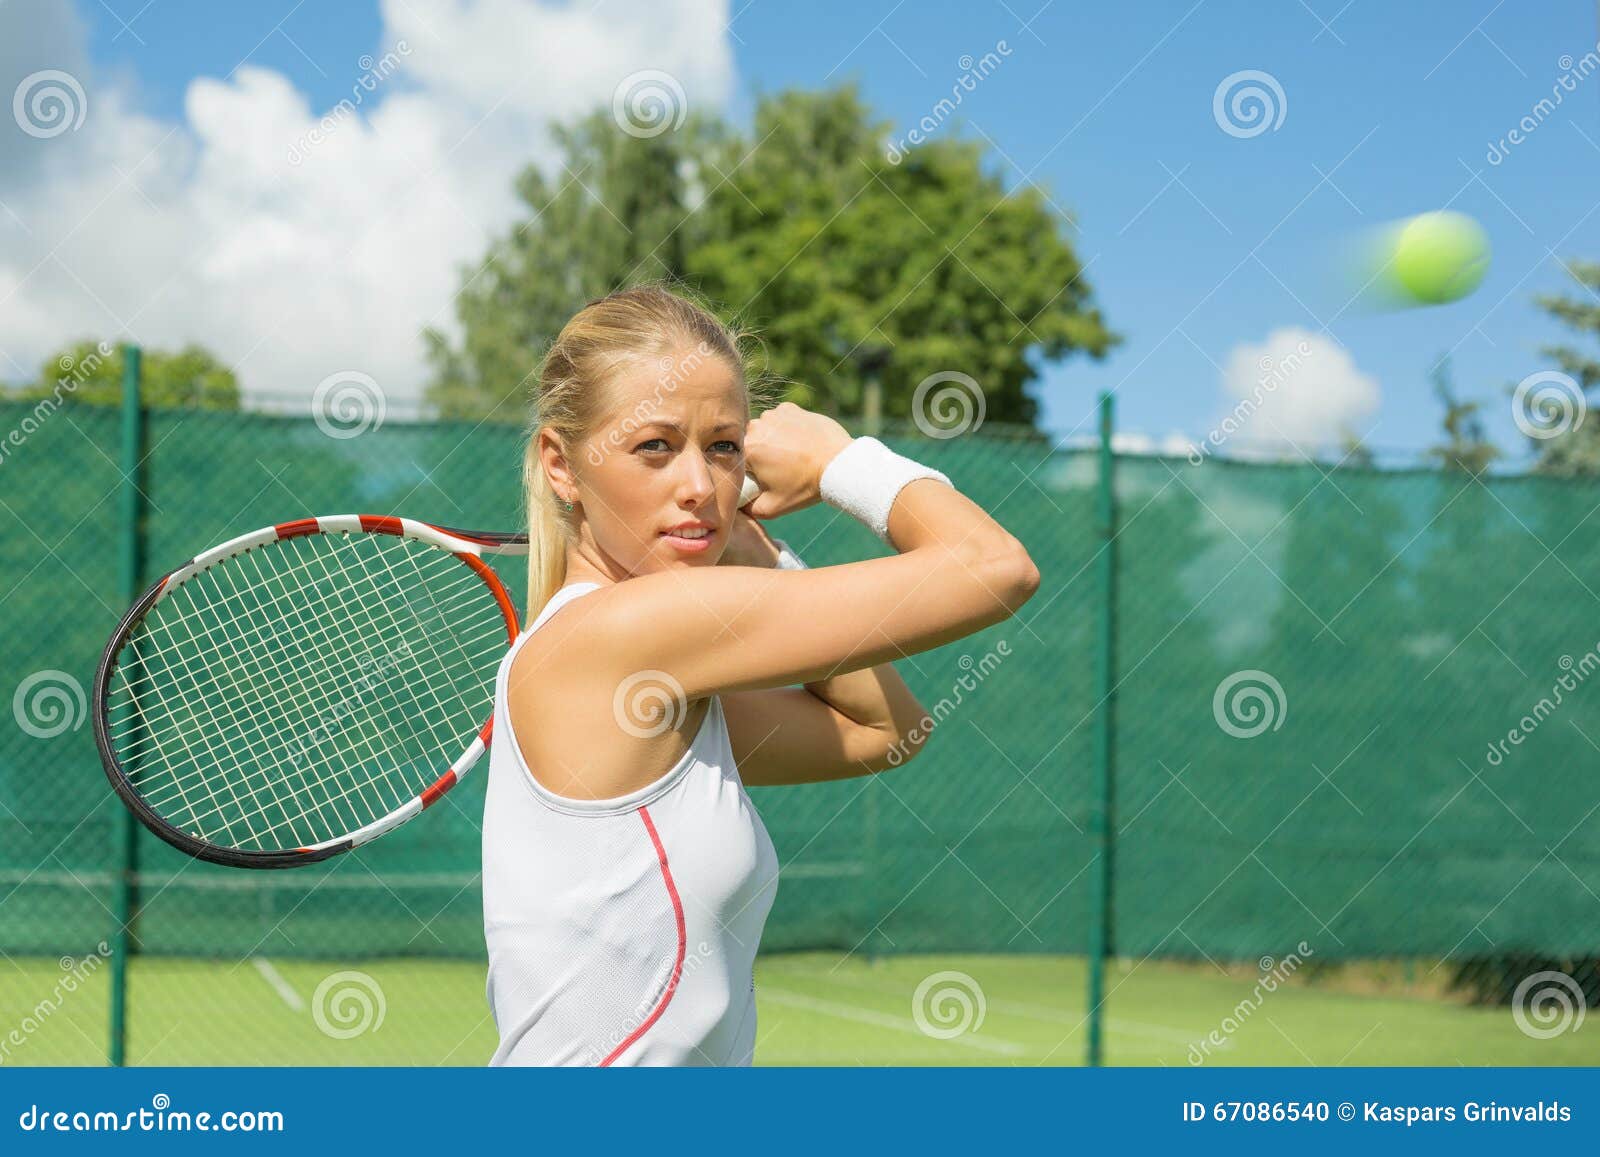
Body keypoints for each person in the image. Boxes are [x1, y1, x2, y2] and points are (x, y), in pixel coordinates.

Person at [481, 284, 1039, 1066]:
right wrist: (842, 459)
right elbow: (995, 567)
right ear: (560, 465)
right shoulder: (626, 636)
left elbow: (887, 729)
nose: (699, 485)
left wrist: (756, 551)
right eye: (654, 446)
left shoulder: (653, 683)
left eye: (723, 446)